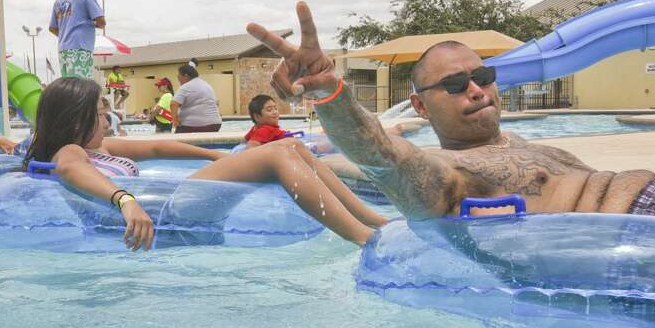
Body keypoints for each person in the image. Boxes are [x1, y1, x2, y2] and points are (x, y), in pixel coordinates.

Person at [246, 1, 655, 243]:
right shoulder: (446, 174)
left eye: (483, 75)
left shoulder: (519, 142)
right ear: (421, 106)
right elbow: (382, 158)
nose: (477, 89)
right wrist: (330, 92)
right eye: (456, 85)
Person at [25, 77, 388, 249]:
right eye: (100, 113)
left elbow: (158, 149)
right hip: (169, 212)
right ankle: (363, 238)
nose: (107, 120)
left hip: (174, 206)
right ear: (75, 119)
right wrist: (125, 200)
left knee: (293, 147)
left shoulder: (100, 147)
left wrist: (215, 155)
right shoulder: (69, 152)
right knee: (279, 154)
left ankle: (373, 219)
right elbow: (70, 171)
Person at [49, 0, 106, 79]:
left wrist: (67, 33)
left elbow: (52, 28)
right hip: (80, 49)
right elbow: (101, 22)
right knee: (82, 86)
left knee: (69, 86)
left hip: (63, 51)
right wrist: (94, 24)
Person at [172, 63, 222, 133]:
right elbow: (216, 103)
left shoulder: (186, 86)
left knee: (178, 137)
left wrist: (175, 120)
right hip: (215, 124)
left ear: (185, 76)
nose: (177, 78)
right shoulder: (206, 85)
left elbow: (173, 104)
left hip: (195, 125)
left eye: (178, 75)